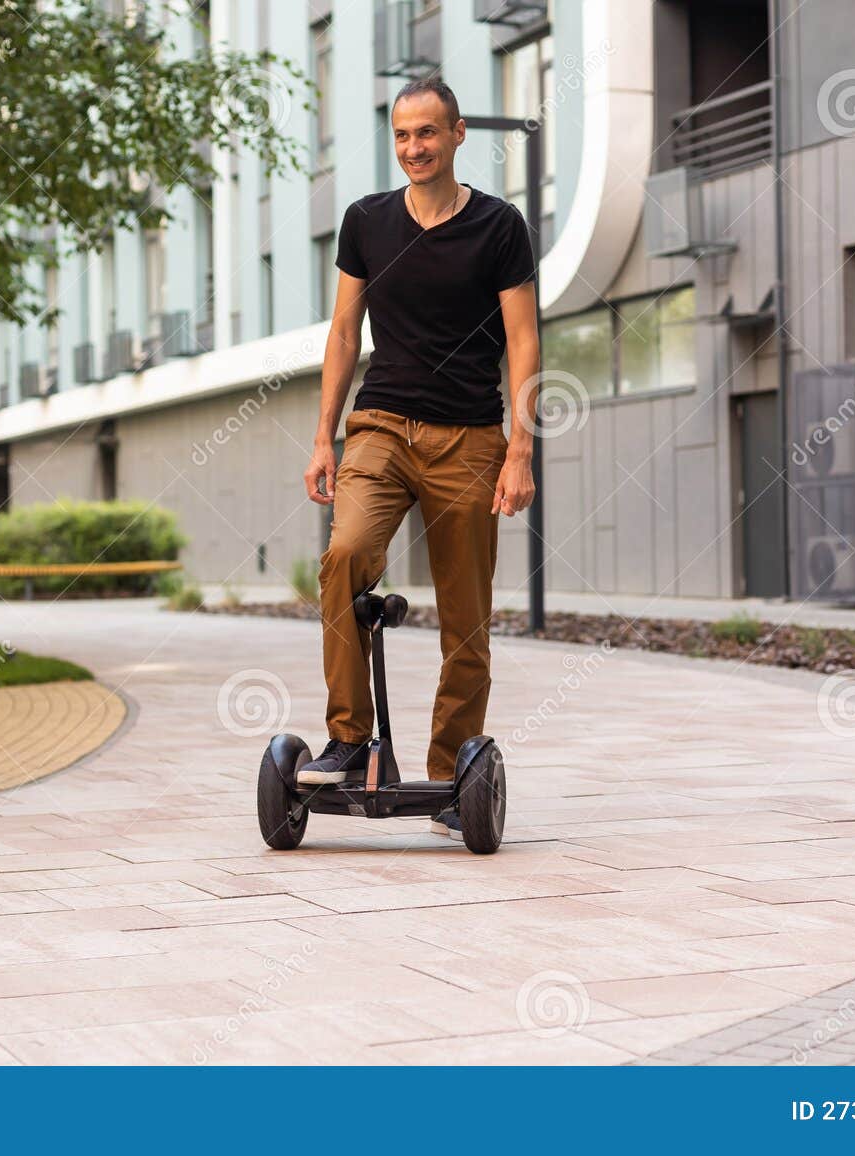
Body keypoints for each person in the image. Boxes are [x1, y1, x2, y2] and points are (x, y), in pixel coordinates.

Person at [298, 74, 540, 840]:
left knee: (465, 619)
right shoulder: (365, 221)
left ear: (458, 134)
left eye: (428, 133)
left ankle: (449, 768)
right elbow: (343, 334)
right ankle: (348, 736)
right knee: (344, 556)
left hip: (469, 438)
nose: (414, 148)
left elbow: (526, 341)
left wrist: (522, 451)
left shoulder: (499, 227)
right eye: (402, 136)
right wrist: (322, 437)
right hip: (379, 429)